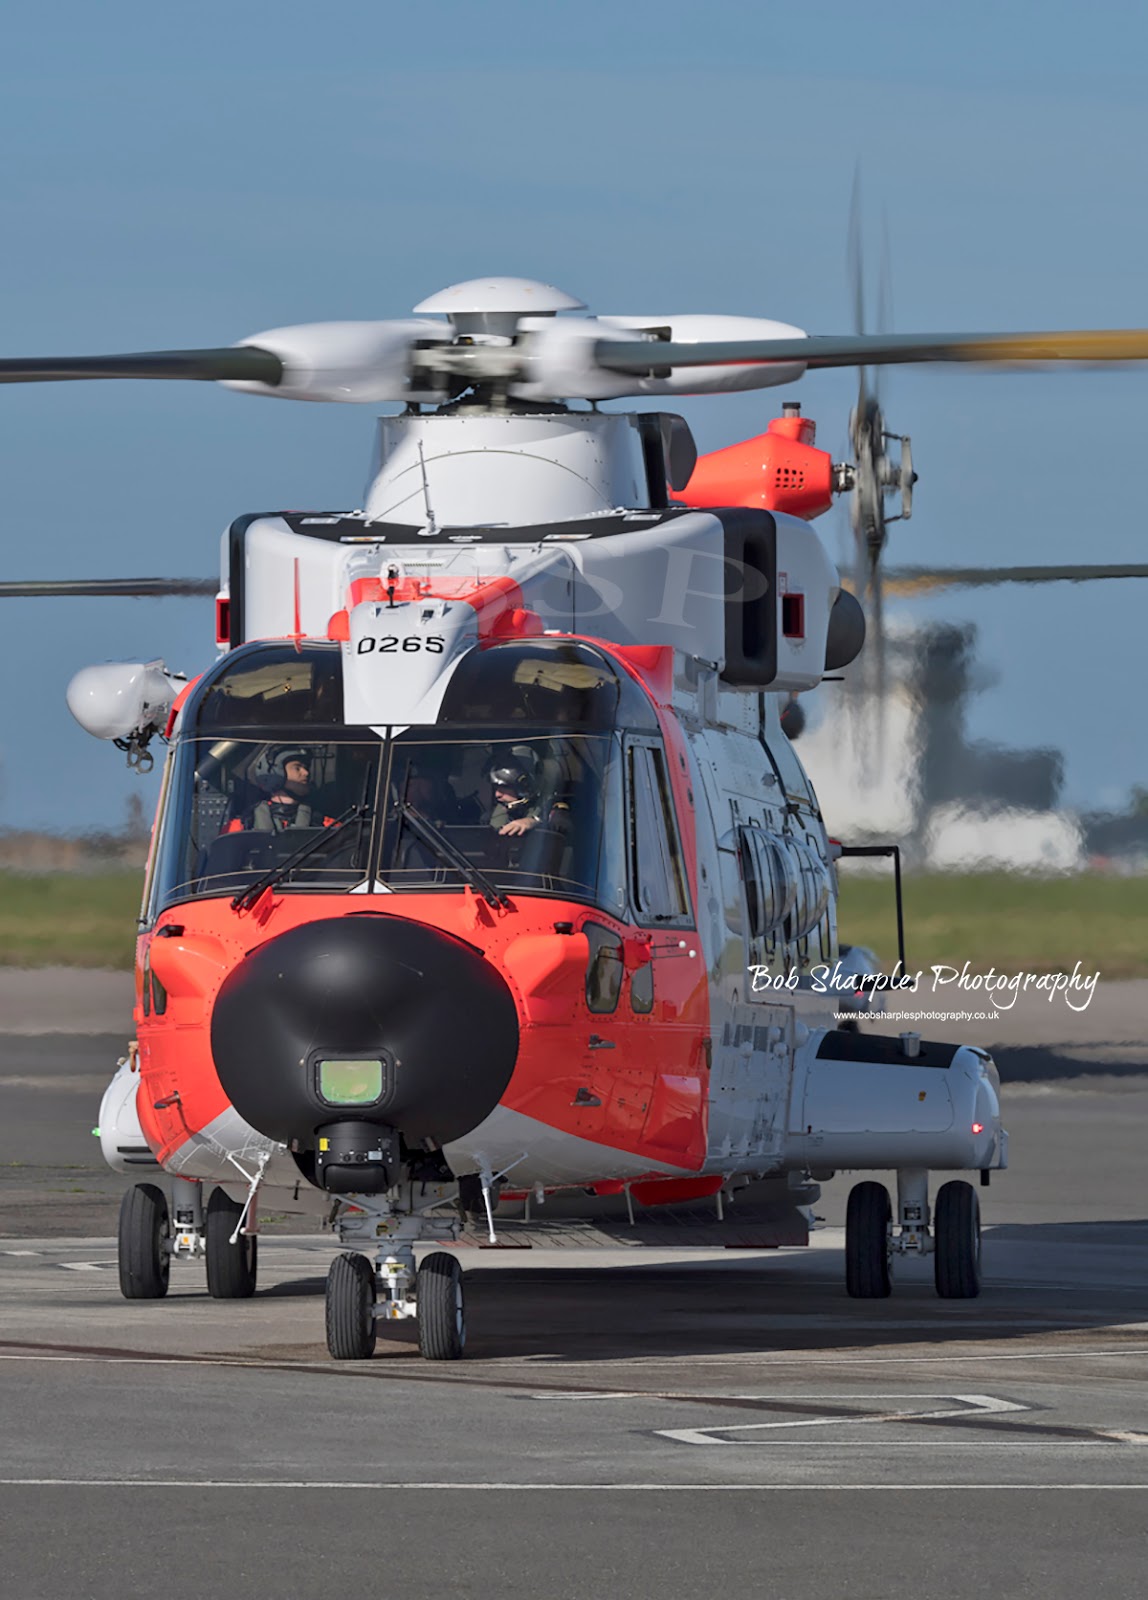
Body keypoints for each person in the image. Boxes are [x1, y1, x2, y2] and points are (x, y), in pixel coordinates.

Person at [252, 748, 317, 832]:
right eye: (297, 768)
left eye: (306, 768)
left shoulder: (325, 825)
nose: (306, 773)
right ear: (276, 773)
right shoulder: (244, 825)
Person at [487, 759, 543, 837]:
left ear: (523, 787)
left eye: (503, 788)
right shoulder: (499, 810)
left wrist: (532, 822)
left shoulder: (543, 806)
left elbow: (555, 822)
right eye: (496, 788)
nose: (497, 794)